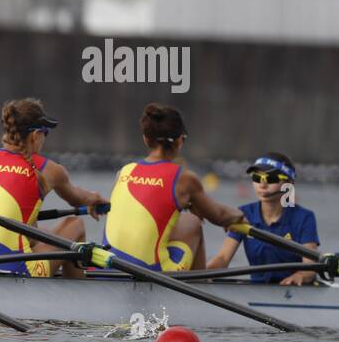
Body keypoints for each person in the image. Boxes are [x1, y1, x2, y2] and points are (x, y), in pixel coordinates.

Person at [0, 98, 107, 278]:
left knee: (35, 230)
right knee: (75, 225)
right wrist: (95, 199)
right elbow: (77, 198)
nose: (45, 138)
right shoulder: (49, 170)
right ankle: (76, 298)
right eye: (46, 133)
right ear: (35, 135)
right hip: (17, 270)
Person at [102, 103, 244, 271]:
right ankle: (200, 286)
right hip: (149, 271)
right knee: (193, 222)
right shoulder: (184, 178)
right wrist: (240, 215)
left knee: (173, 223)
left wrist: (189, 204)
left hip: (105, 265)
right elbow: (220, 216)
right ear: (180, 140)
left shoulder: (124, 171)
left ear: (146, 139)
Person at [206, 152, 320, 285]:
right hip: (258, 290)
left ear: (288, 183)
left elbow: (310, 268)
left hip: (296, 291)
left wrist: (301, 275)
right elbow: (223, 258)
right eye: (257, 178)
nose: (262, 185)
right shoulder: (243, 214)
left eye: (271, 178)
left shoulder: (304, 217)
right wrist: (201, 273)